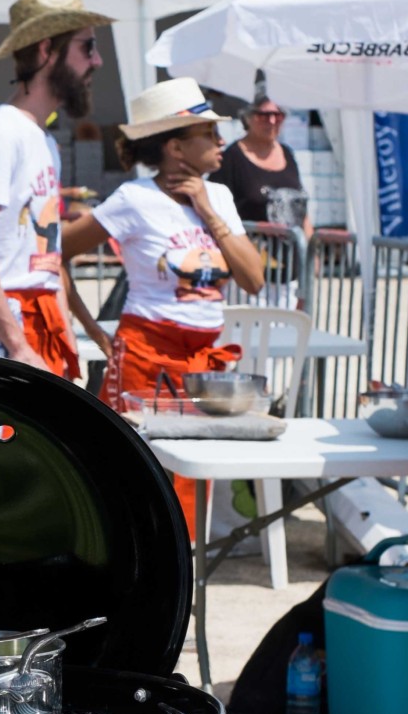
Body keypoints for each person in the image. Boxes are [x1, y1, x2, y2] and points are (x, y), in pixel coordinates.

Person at [62, 77, 266, 536]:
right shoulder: (135, 199)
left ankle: (184, 574)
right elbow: (53, 254)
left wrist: (206, 209)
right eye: (209, 134)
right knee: (131, 476)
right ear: (176, 147)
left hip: (204, 362)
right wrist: (93, 330)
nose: (221, 142)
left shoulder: (219, 196)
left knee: (194, 478)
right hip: (144, 357)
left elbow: (253, 279)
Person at [0, 0, 115, 374]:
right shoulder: (1, 132)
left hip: (33, 323)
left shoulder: (40, 138)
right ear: (46, 51)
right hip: (7, 324)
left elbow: (47, 254)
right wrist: (19, 347)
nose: (98, 61)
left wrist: (65, 328)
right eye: (87, 47)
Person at [218, 97, 314, 236]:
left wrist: (312, 254)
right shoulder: (232, 157)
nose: (272, 121)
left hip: (293, 253)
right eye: (264, 116)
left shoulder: (287, 153)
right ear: (248, 118)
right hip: (254, 252)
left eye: (278, 115)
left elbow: (302, 212)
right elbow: (218, 209)